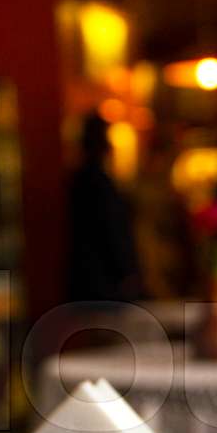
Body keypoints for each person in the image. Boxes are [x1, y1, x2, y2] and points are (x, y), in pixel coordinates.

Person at [64, 112, 142, 303]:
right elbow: (111, 229)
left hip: (88, 278)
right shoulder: (96, 181)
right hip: (100, 281)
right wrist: (127, 270)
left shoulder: (84, 178)